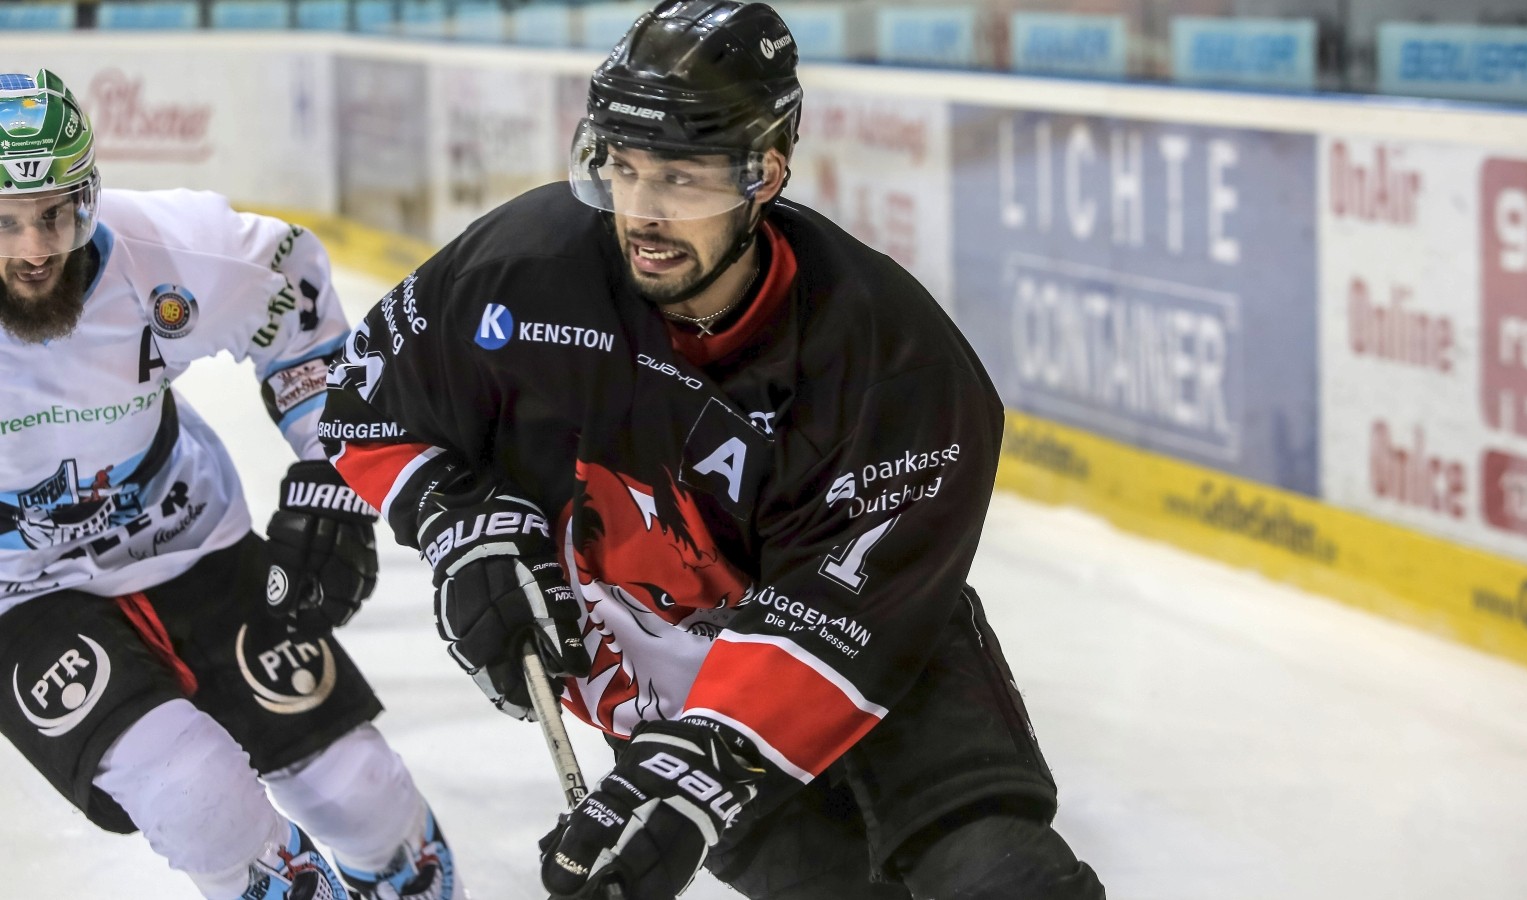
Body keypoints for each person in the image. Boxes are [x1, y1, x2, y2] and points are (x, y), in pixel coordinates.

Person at [323, 2, 1107, 897]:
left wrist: (700, 767)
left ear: (763, 174)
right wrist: (461, 524)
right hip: (661, 678)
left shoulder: (890, 359)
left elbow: (846, 614)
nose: (645, 213)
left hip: (872, 657)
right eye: (624, 169)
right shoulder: (525, 269)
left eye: (683, 177)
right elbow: (363, 402)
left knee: (998, 877)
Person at [0, 70, 463, 900]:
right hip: (19, 592)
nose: (36, 249)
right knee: (198, 800)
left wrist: (331, 473)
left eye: (55, 213)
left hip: (189, 538)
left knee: (368, 801)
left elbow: (301, 309)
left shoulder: (165, 250)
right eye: (3, 222)